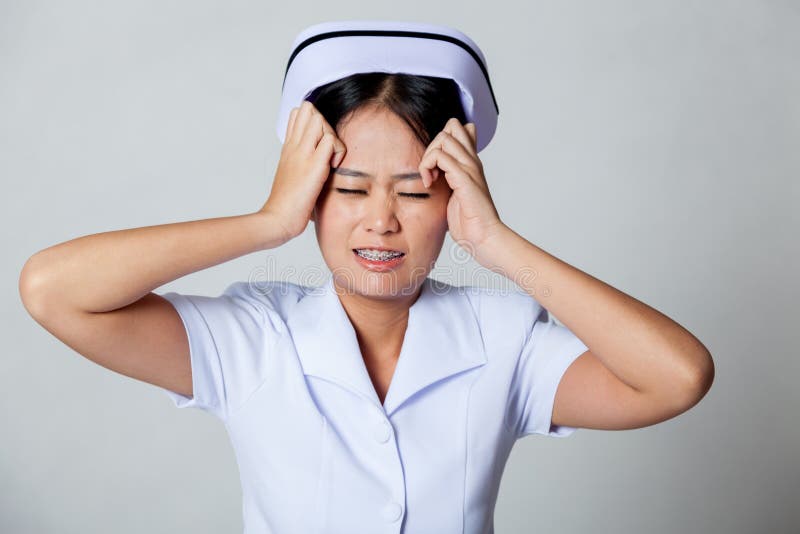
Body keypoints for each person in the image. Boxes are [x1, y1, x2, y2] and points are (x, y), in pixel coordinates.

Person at [19, 20, 714, 534]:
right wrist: (267, 222)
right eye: (349, 189)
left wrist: (498, 245)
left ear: (455, 201)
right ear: (312, 193)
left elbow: (677, 377)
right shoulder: (253, 337)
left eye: (415, 193)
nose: (382, 222)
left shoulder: (505, 339)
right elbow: (53, 290)